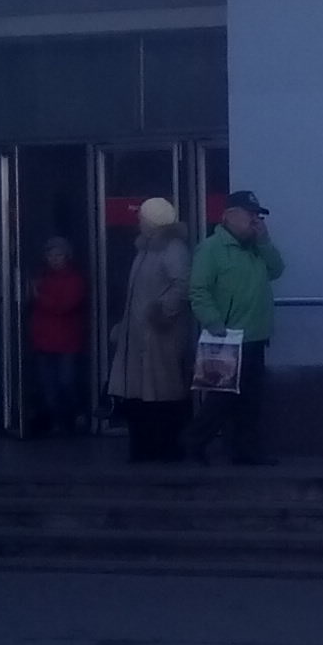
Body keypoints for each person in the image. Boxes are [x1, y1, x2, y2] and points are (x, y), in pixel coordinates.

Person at [187, 189, 283, 465]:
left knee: (250, 400)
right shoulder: (212, 249)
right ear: (229, 216)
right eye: (249, 215)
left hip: (255, 336)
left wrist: (264, 241)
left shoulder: (255, 248)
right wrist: (213, 321)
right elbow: (199, 289)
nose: (255, 220)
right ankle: (194, 442)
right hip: (227, 336)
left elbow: (277, 270)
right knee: (221, 399)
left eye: (258, 216)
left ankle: (246, 451)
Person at [106, 197, 194, 463]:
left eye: (142, 217)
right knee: (140, 393)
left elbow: (183, 284)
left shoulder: (173, 248)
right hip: (140, 334)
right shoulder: (145, 249)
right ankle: (143, 447)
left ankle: (164, 447)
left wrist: (162, 312)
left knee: (161, 392)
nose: (138, 221)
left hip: (160, 335)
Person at [26, 237, 89, 437]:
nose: (54, 259)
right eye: (50, 255)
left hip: (66, 341)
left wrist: (39, 295)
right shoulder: (42, 278)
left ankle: (76, 416)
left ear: (67, 256)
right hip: (44, 341)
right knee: (49, 387)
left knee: (66, 382)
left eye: (58, 255)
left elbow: (65, 306)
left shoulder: (74, 279)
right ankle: (58, 423)